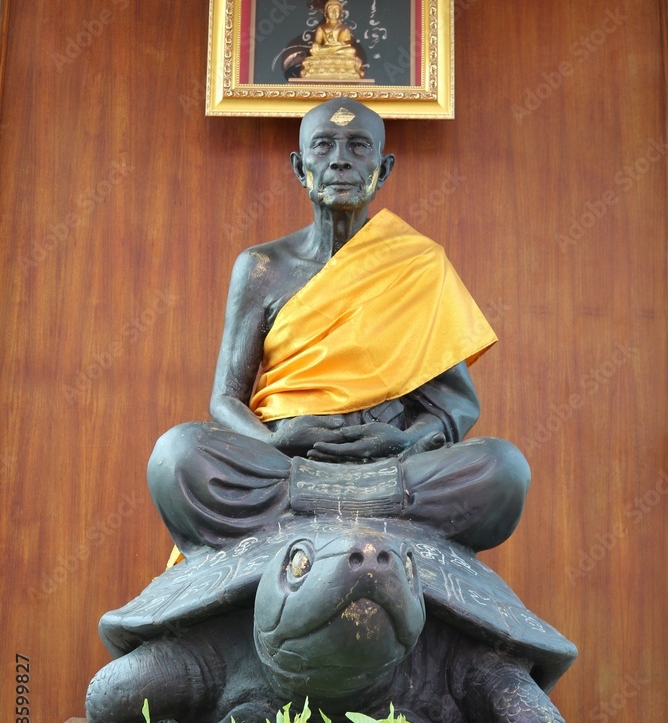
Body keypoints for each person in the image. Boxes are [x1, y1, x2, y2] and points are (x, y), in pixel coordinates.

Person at [148, 98, 530, 557]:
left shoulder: (418, 265)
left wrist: (406, 441)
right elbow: (225, 398)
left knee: (503, 468)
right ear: (299, 165)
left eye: (358, 146)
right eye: (324, 146)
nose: (340, 159)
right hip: (285, 460)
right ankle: (351, 503)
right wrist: (274, 441)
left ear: (384, 169)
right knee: (178, 455)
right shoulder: (261, 266)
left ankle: (333, 501)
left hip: (388, 464)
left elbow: (454, 405)